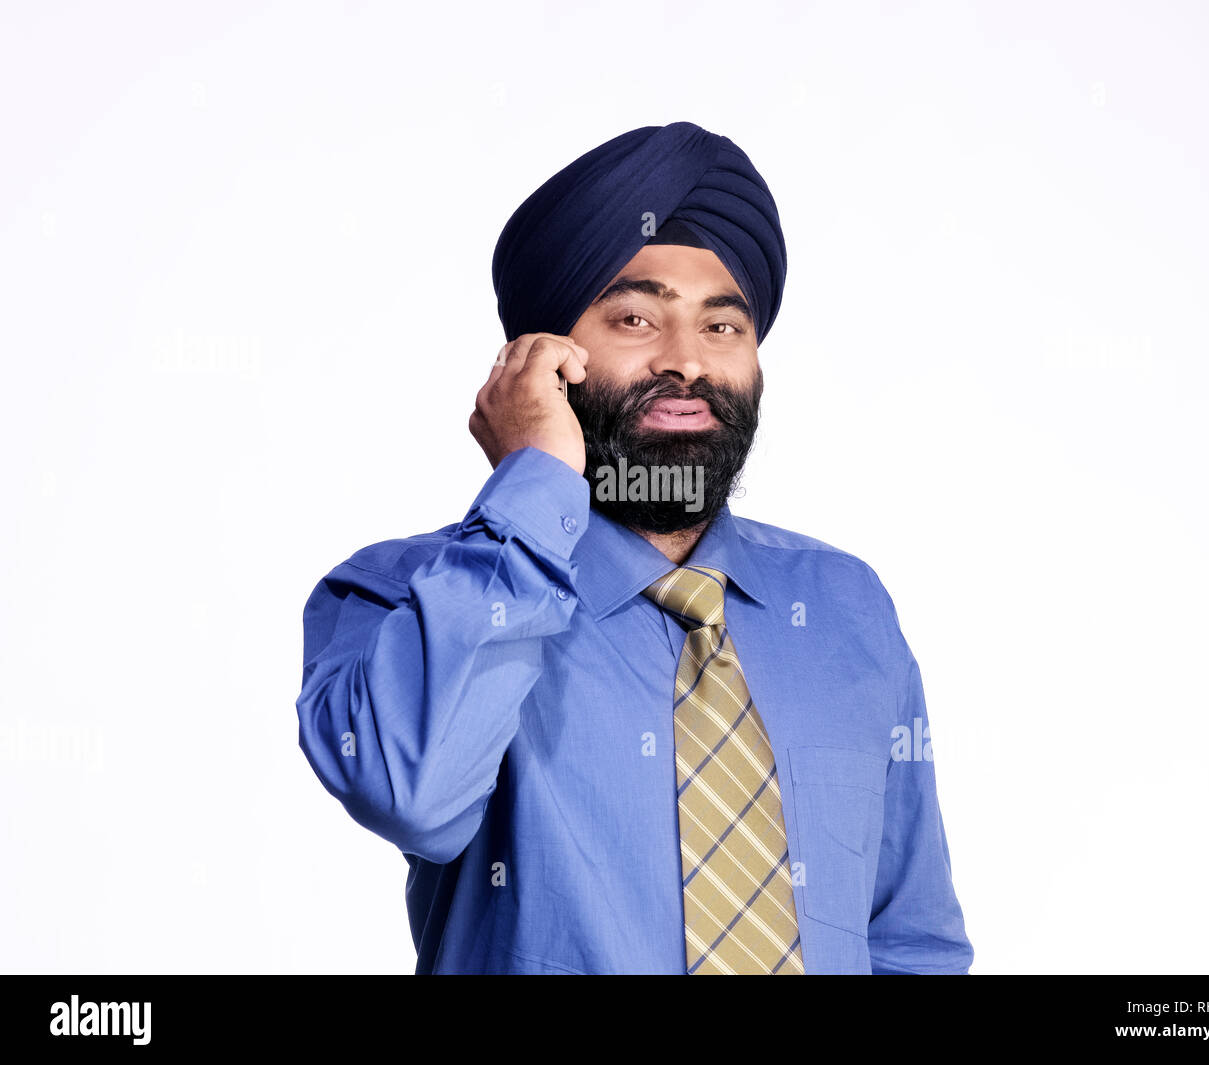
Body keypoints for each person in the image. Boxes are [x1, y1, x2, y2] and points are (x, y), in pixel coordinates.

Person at [295, 121, 974, 975]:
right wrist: (535, 475)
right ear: (544, 359)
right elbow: (412, 793)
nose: (687, 361)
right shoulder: (406, 594)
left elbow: (910, 943)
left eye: (724, 328)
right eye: (635, 317)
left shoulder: (842, 605)